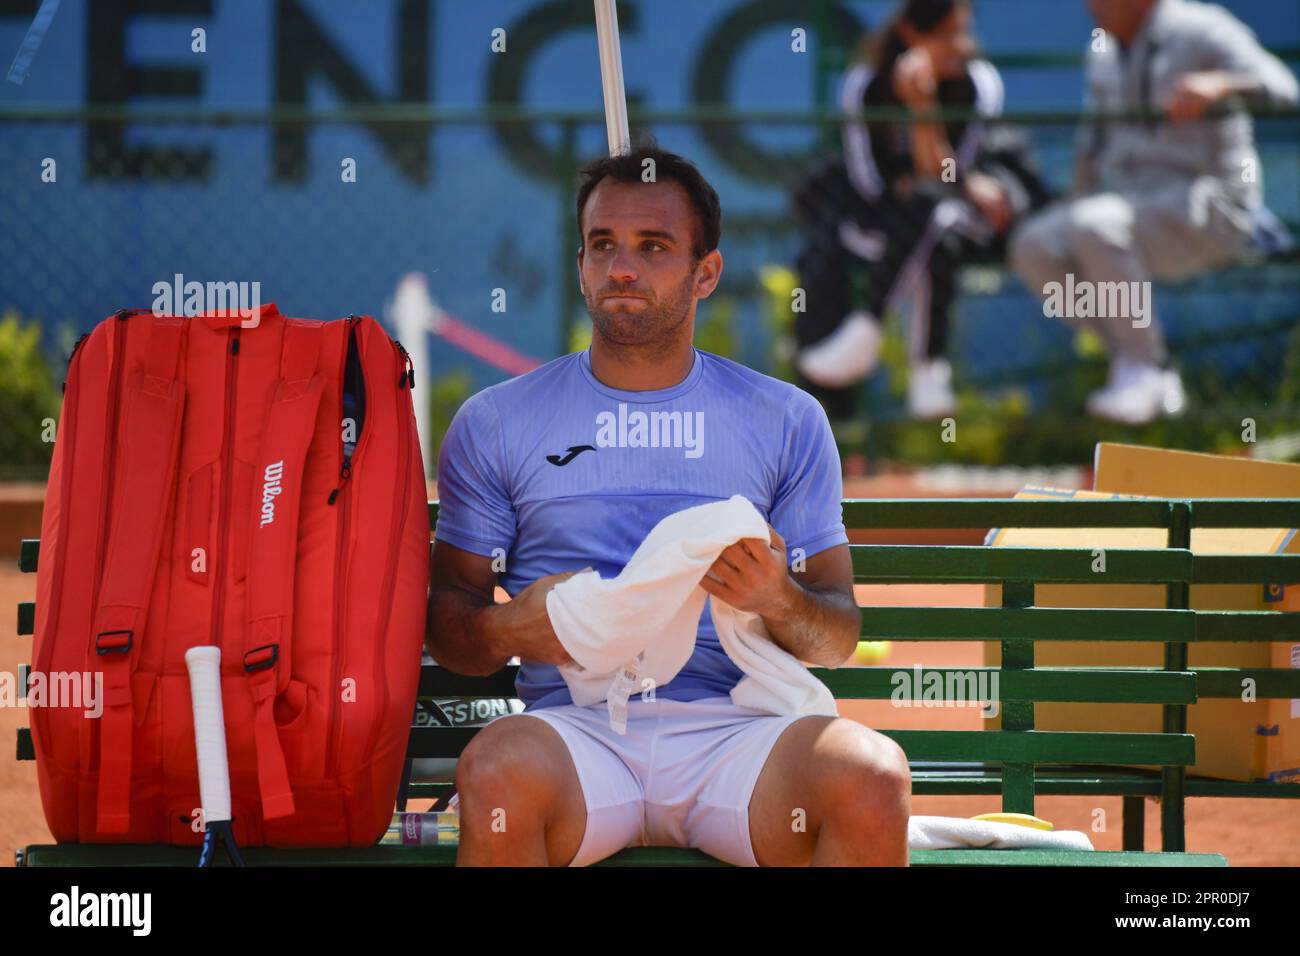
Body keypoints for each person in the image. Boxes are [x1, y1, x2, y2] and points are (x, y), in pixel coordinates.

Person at [427, 143, 911, 867]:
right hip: (577, 733)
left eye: (653, 246)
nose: (622, 267)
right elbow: (449, 628)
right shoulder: (498, 421)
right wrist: (504, 630)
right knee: (496, 777)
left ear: (705, 272)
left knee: (870, 778)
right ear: (582, 264)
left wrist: (779, 598)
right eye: (603, 245)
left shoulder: (785, 417)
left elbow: (835, 638)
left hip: (743, 734)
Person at [1009, 0, 1299, 425]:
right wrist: (1072, 202)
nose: (1091, 6)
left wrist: (1223, 83)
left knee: (1096, 223)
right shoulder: (1101, 53)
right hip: (1123, 208)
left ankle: (1143, 367)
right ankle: (1143, 362)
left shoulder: (1203, 28)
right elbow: (1091, 142)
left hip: (1209, 207)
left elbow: (1286, 88)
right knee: (1033, 244)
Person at [794, 0, 1042, 420]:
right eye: (945, 34)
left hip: (965, 222)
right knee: (932, 223)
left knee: (935, 210)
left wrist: (924, 110)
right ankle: (929, 369)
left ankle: (868, 327)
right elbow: (869, 182)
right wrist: (931, 183)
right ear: (910, 34)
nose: (959, 45)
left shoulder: (980, 83)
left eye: (963, 32)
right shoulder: (866, 83)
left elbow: (946, 176)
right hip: (882, 225)